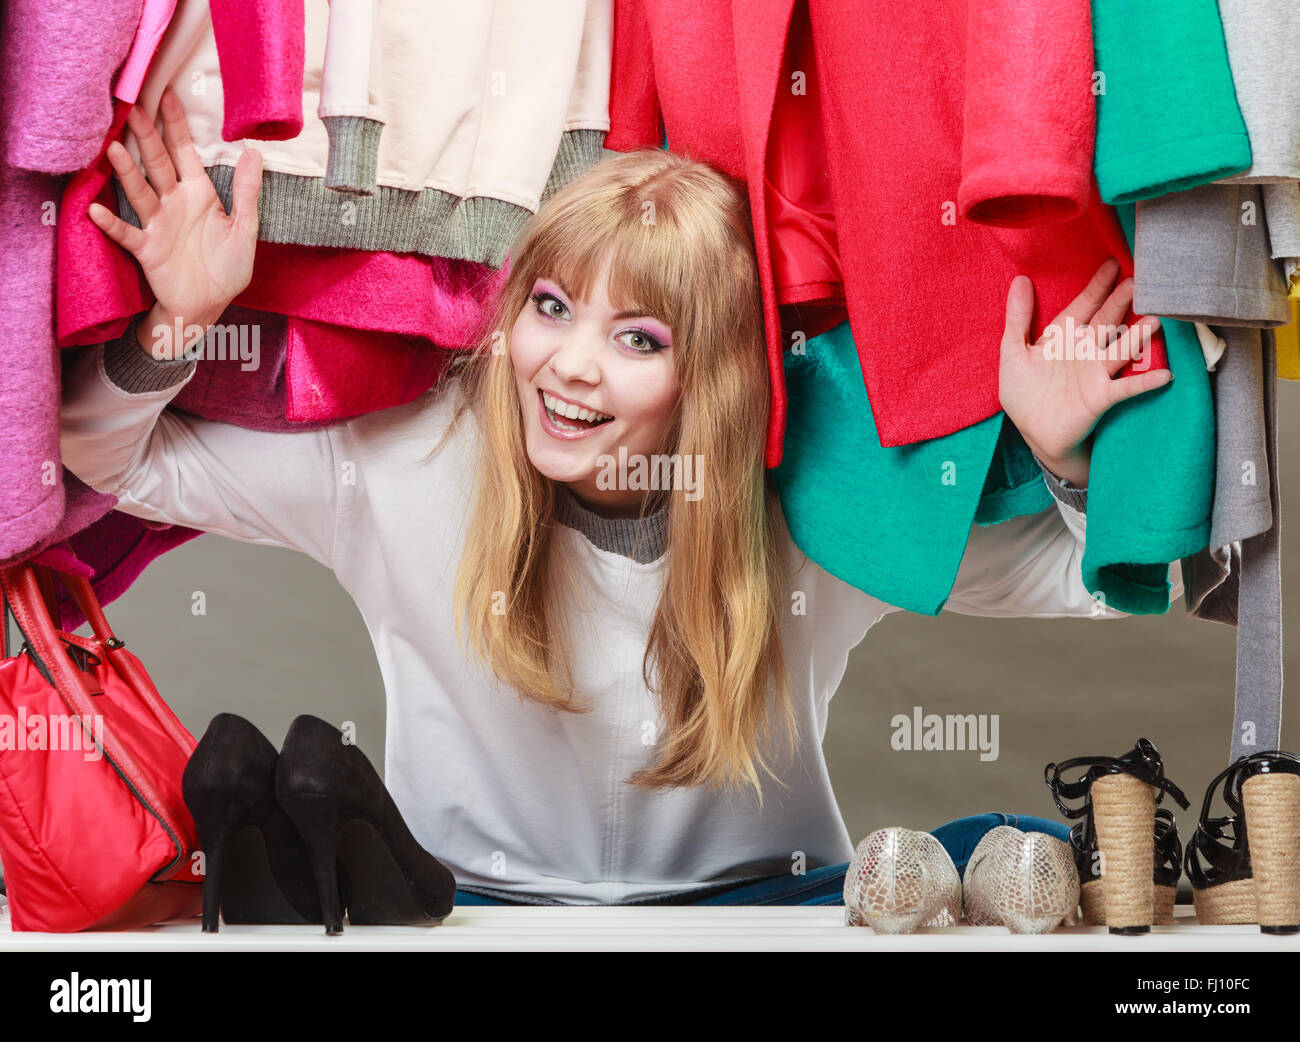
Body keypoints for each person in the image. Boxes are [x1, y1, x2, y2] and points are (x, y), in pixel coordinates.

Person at [61, 87, 1181, 907]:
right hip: (452, 906)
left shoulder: (811, 507)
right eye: (550, 306)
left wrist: (1057, 453)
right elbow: (117, 466)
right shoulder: (409, 454)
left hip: (762, 913)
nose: (569, 364)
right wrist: (179, 321)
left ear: (715, 377)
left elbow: (1096, 593)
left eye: (636, 337)